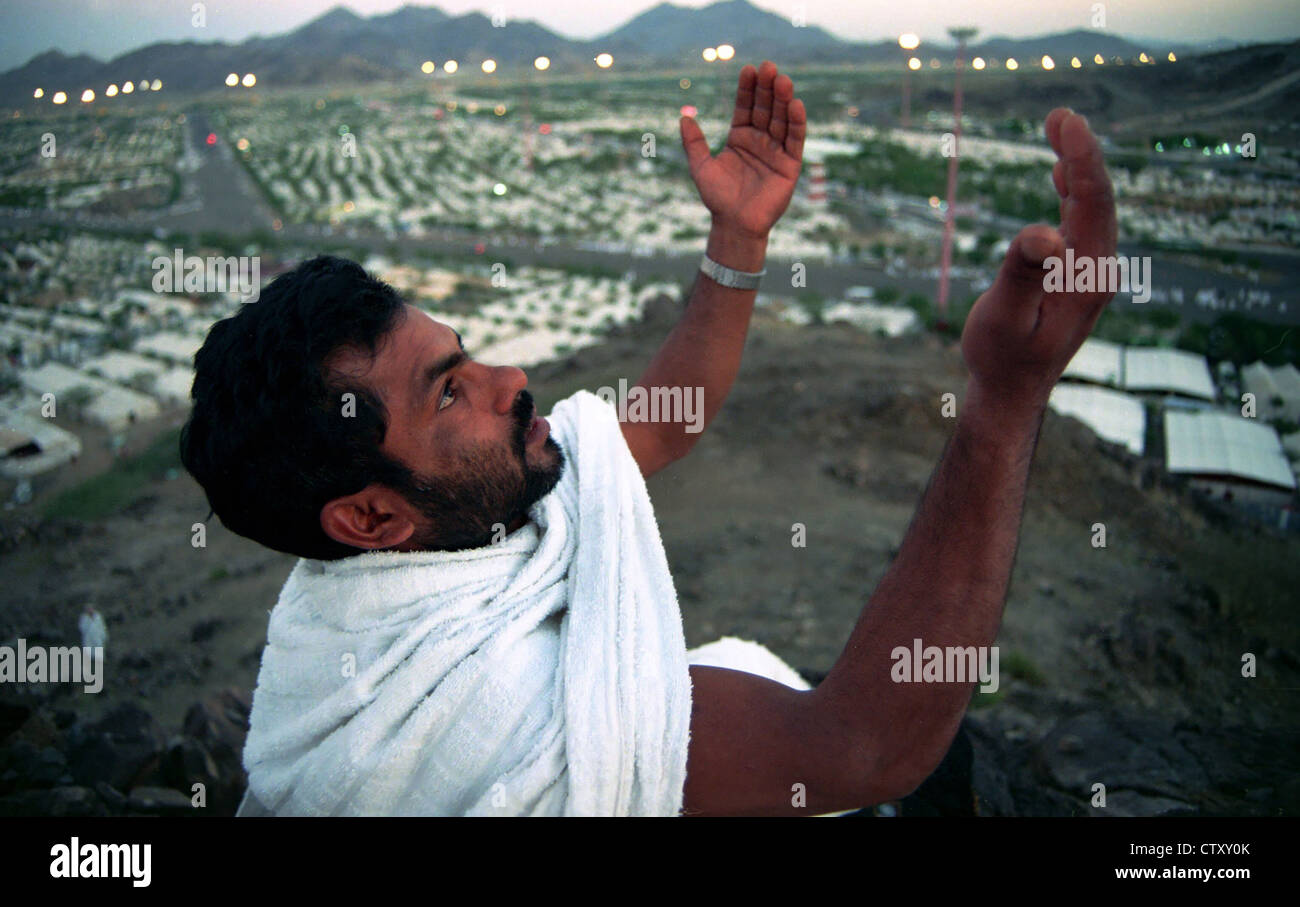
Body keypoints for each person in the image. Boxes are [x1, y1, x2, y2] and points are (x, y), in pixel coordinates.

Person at [180, 61, 1116, 816]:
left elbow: (666, 418)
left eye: (465, 355)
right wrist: (1005, 397)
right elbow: (863, 750)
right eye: (450, 393)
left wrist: (738, 238)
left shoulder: (414, 538)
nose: (514, 382)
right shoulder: (512, 729)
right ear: (373, 516)